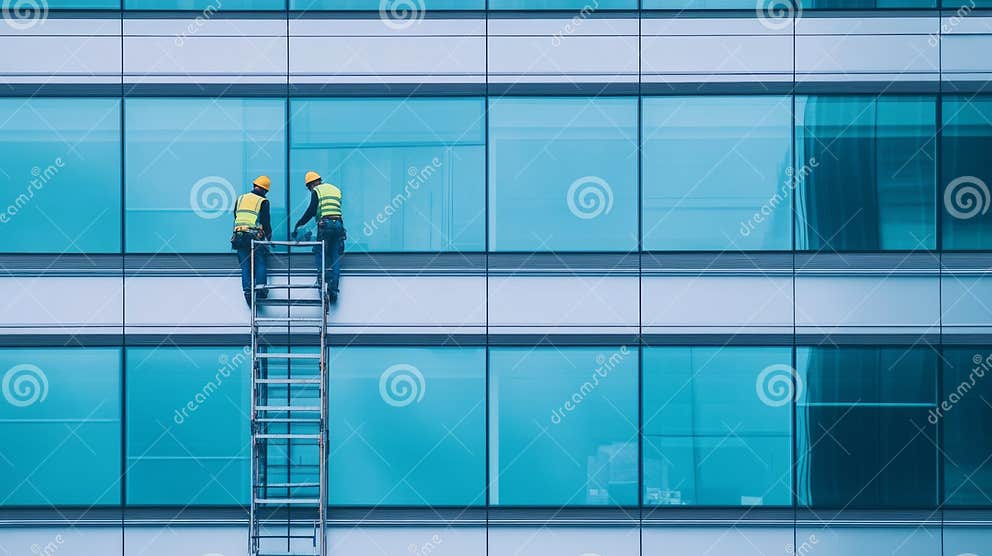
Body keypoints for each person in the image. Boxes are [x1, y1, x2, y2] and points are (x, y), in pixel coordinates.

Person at [291, 170, 345, 303]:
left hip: (325, 225)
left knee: (319, 251)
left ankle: (322, 284)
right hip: (338, 223)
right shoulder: (335, 190)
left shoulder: (317, 191)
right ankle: (333, 289)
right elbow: (337, 211)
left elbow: (312, 210)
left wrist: (299, 223)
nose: (310, 190)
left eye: (309, 188)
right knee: (334, 255)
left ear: (312, 184)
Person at [231, 176, 272, 306]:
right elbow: (265, 222)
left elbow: (236, 216)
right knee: (260, 261)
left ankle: (248, 292)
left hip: (238, 236)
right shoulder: (263, 201)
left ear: (254, 185)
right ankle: (260, 290)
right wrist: (269, 237)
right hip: (253, 236)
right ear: (265, 190)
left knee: (245, 265)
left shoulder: (240, 198)